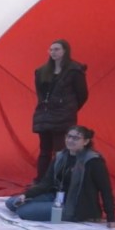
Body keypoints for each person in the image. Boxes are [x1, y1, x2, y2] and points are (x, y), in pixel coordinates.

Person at [6, 126, 115, 228]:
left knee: (23, 211)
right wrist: (26, 195)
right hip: (57, 197)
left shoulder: (93, 161)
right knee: (11, 203)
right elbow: (46, 183)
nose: (70, 140)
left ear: (86, 141)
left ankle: (61, 213)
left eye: (76, 138)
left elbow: (105, 189)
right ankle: (40, 206)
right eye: (69, 136)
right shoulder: (60, 156)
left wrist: (111, 217)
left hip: (75, 206)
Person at [31, 39, 89, 182]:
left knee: (60, 151)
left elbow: (82, 94)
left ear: (65, 51)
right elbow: (40, 94)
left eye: (56, 49)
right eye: (51, 50)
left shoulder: (74, 71)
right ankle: (41, 180)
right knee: (44, 150)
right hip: (44, 115)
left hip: (63, 116)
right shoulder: (41, 71)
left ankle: (59, 181)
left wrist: (69, 108)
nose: (53, 52)